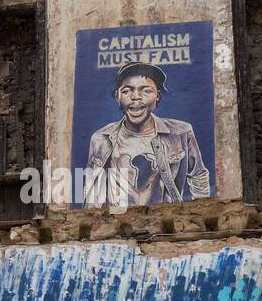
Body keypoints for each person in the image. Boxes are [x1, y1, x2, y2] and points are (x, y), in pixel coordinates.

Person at [84, 61, 210, 207]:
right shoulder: (101, 139)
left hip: (166, 219)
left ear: (157, 96)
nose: (135, 97)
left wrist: (201, 211)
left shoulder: (181, 133)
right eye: (126, 91)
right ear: (117, 97)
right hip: (117, 220)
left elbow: (198, 175)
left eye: (146, 91)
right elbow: (92, 190)